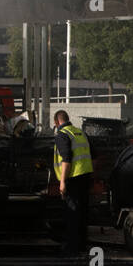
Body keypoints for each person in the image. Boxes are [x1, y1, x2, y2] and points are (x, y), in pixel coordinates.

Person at [52, 110, 93, 257]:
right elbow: (91, 154)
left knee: (72, 212)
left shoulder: (62, 135)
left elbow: (66, 159)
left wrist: (62, 181)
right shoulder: (80, 133)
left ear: (57, 123)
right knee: (82, 212)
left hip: (73, 177)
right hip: (86, 175)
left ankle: (72, 248)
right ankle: (82, 244)